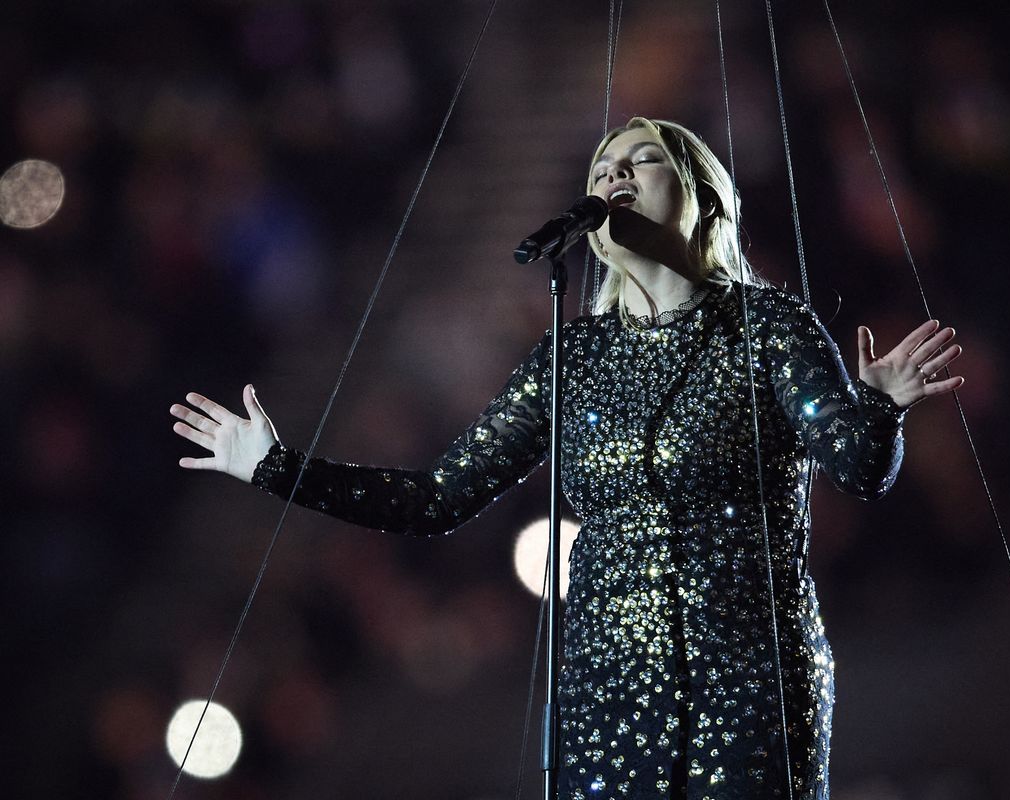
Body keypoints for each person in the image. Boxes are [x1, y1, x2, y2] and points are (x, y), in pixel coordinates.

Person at [170, 117, 963, 799]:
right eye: (602, 166)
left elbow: (861, 469)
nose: (615, 171)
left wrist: (882, 405)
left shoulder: (766, 327)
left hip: (747, 676)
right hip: (609, 693)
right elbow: (440, 496)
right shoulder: (571, 358)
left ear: (703, 196)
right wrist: (277, 467)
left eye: (640, 159)